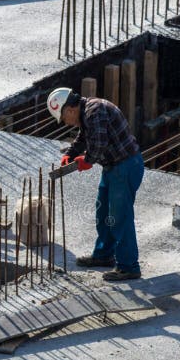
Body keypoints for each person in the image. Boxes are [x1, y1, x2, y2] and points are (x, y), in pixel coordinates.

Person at [47, 87, 144, 281]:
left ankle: (129, 266)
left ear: (69, 109)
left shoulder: (95, 110)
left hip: (125, 167)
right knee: (103, 212)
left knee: (119, 217)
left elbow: (98, 146)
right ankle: (104, 255)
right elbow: (85, 137)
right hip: (113, 167)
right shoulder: (87, 112)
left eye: (64, 118)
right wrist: (72, 153)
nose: (66, 123)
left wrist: (87, 160)